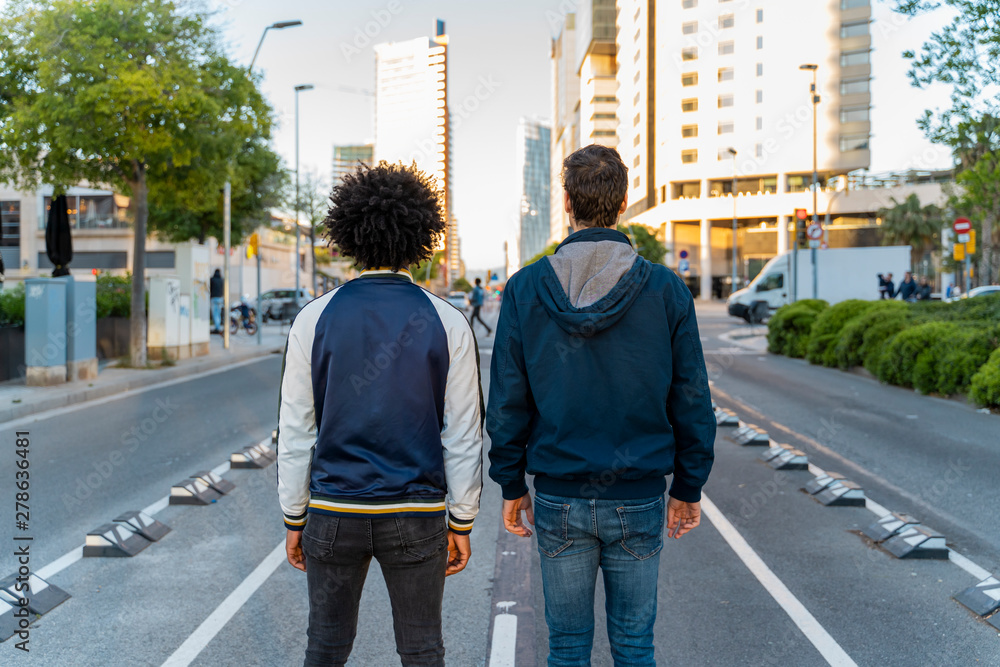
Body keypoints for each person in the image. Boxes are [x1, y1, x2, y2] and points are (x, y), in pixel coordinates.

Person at [487, 144, 716, 666]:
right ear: (625, 199)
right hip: (637, 495)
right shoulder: (664, 289)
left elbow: (507, 399)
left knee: (566, 647)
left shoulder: (525, 289)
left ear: (567, 202)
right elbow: (692, 398)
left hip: (559, 496)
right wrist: (688, 486)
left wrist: (511, 483)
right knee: (635, 645)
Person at [276, 161, 483, 667]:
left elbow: (296, 428)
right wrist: (463, 519)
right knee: (421, 650)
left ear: (349, 236)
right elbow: (463, 433)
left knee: (324, 647)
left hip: (333, 511)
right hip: (417, 514)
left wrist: (294, 515)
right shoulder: (448, 321)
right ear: (421, 237)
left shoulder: (313, 317)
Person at [209, 269, 224, 333]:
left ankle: (217, 328)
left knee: (215, 314)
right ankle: (218, 327)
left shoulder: (212, 279)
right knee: (218, 313)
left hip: (214, 298)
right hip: (220, 298)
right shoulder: (222, 280)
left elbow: (209, 288)